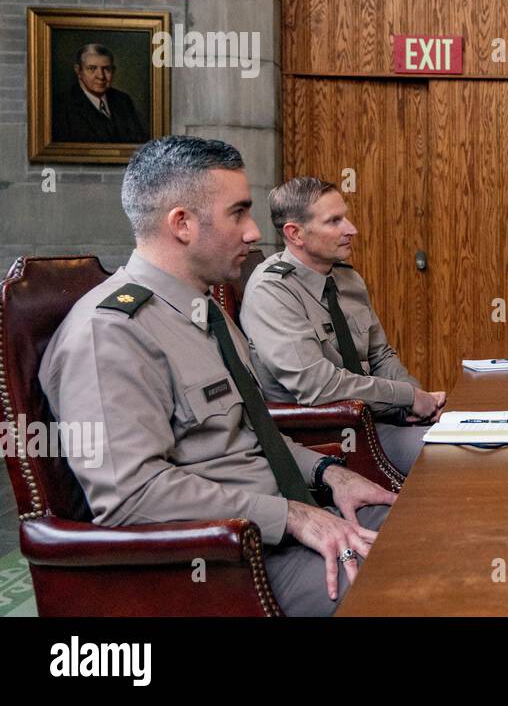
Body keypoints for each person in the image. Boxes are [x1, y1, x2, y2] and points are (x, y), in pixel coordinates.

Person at [38, 136, 396, 616]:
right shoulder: (110, 332)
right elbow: (131, 496)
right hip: (229, 563)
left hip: (285, 521)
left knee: (433, 529)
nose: (253, 233)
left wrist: (328, 472)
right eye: (239, 213)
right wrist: (290, 516)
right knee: (416, 587)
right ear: (182, 224)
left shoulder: (203, 309)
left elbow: (253, 435)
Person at [240, 177, 445, 475]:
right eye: (334, 221)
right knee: (455, 458)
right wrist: (408, 398)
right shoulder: (271, 291)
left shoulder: (346, 277)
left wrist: (417, 406)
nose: (351, 229)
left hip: (375, 419)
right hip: (326, 434)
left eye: (345, 217)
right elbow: (319, 387)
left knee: (477, 444)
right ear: (295, 233)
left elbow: (380, 355)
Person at [51, 43, 149, 143]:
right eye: (92, 69)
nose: (101, 76)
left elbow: (139, 144)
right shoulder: (61, 106)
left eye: (106, 69)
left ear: (113, 70)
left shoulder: (123, 100)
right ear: (78, 71)